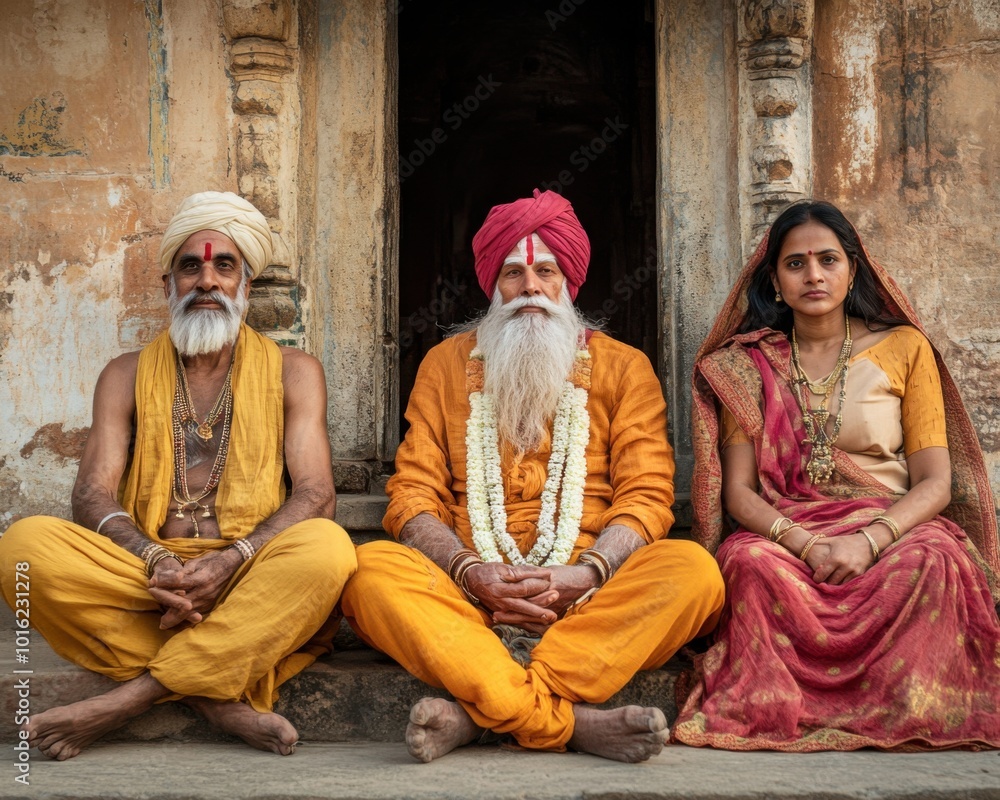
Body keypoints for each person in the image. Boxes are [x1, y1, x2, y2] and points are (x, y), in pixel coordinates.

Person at [340, 189, 725, 763]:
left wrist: (584, 573)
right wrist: (471, 571)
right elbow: (413, 492)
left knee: (695, 573)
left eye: (545, 271)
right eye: (513, 273)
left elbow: (646, 496)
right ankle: (566, 724)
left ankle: (481, 710)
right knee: (366, 573)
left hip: (590, 592)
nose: (530, 289)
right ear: (492, 285)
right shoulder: (447, 364)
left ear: (569, 281)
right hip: (470, 593)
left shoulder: (623, 367)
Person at [0, 191, 357, 760]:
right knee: (22, 548)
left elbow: (317, 495)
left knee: (328, 549)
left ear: (245, 285)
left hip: (249, 573)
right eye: (191, 266)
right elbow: (91, 493)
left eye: (224, 265)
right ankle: (216, 699)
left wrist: (229, 559)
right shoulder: (124, 374)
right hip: (149, 580)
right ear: (168, 284)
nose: (207, 281)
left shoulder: (295, 372)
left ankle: (131, 698)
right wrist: (156, 560)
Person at [672, 199, 1000, 751]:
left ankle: (907, 706)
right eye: (795, 263)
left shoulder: (904, 348)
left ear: (853, 269)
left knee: (936, 560)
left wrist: (868, 541)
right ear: (774, 280)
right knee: (746, 562)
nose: (814, 274)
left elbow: (935, 482)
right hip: (788, 533)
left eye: (828, 259)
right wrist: (805, 543)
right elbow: (739, 491)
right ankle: (780, 707)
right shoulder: (747, 363)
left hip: (891, 529)